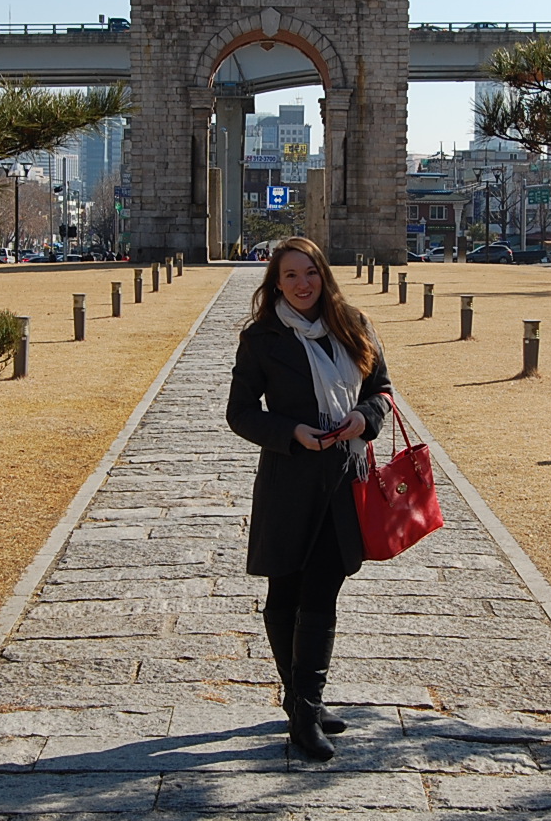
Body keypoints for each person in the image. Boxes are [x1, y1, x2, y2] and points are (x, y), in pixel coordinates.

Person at [225, 236, 392, 761]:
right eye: (291, 275)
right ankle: (301, 703)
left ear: (324, 274)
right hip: (289, 478)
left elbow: (381, 389)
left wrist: (364, 419)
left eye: (311, 272)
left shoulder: (354, 324)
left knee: (321, 592)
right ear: (276, 281)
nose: (303, 284)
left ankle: (305, 711)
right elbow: (240, 412)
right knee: (285, 595)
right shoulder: (262, 338)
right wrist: (291, 431)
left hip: (344, 478)